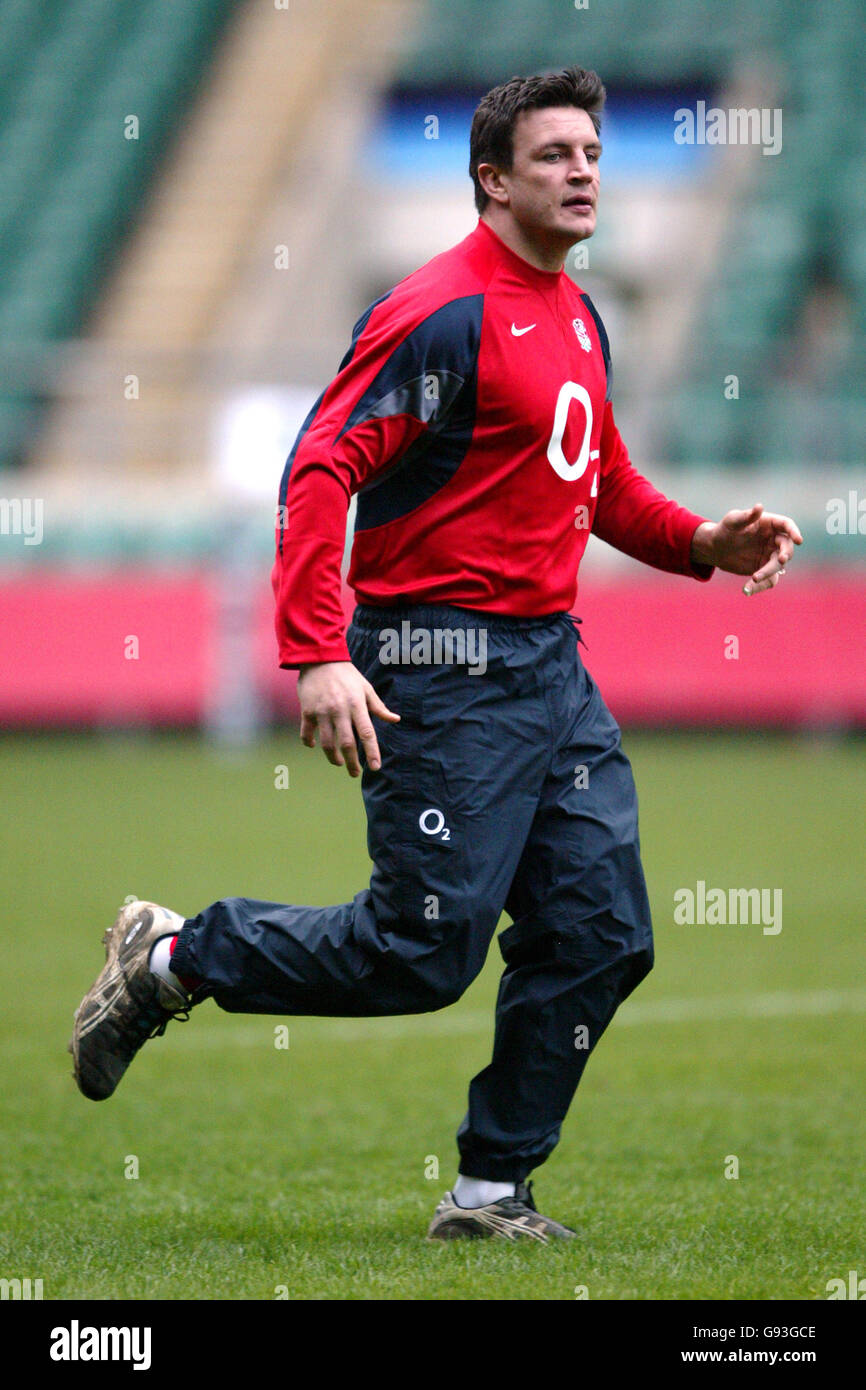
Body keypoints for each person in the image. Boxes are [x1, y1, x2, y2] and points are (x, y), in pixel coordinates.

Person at [69, 67, 802, 1243]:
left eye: (592, 155)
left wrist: (700, 542)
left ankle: (488, 1193)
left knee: (601, 936)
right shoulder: (438, 311)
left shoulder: (575, 311)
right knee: (419, 951)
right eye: (554, 155)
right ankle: (173, 954)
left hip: (548, 672)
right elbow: (320, 466)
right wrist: (314, 651)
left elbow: (596, 479)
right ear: (490, 178)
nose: (580, 173)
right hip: (436, 669)